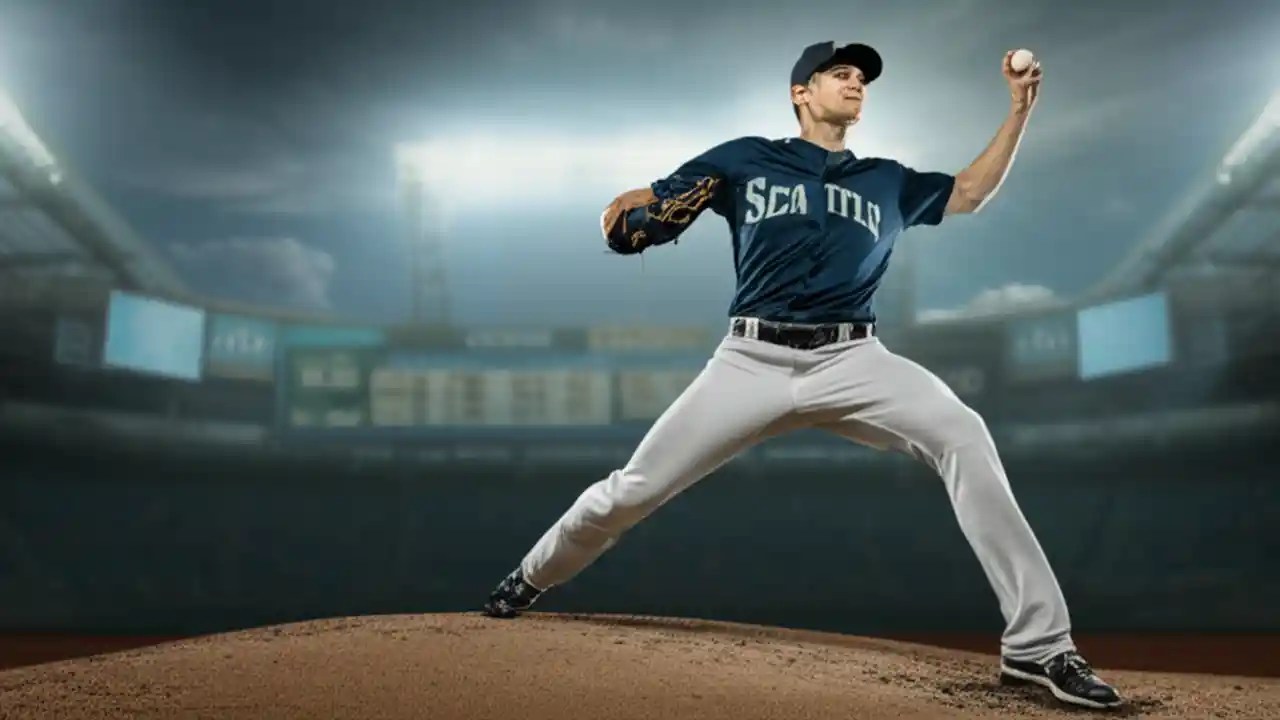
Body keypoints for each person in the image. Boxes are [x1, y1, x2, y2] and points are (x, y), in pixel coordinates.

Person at [481, 41, 1123, 711]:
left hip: (855, 359)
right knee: (631, 491)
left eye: (861, 77)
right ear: (800, 93)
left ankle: (1038, 647)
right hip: (750, 360)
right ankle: (529, 577)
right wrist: (628, 224)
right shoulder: (744, 158)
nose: (855, 83)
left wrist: (1019, 112)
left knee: (963, 433)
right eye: (839, 74)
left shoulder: (887, 179)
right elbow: (632, 215)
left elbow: (968, 192)